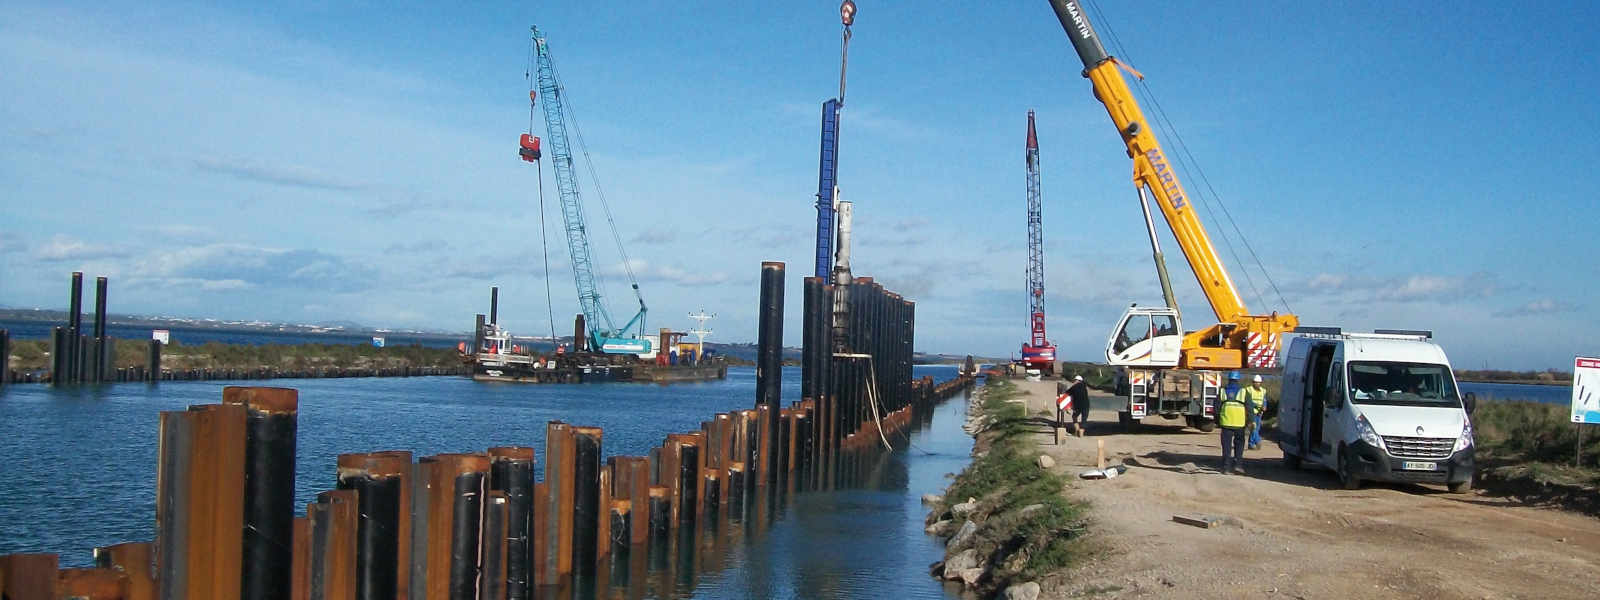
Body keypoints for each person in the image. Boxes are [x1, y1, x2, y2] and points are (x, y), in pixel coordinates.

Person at [1218, 378, 1254, 474]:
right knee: (1239, 445)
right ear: (1238, 380)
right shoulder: (1244, 391)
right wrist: (1251, 421)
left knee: (1226, 445)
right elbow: (1250, 408)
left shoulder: (1222, 391)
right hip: (1240, 423)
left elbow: (1216, 408)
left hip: (1225, 423)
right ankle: (1238, 465)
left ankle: (1226, 467)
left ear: (1229, 380)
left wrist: (1217, 421)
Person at [1242, 374, 1268, 450]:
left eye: (1258, 382)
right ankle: (1257, 441)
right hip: (1251, 412)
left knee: (1257, 428)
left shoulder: (1263, 391)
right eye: (1255, 382)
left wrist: (1264, 406)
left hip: (1259, 412)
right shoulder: (1248, 390)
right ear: (1253, 382)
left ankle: (1251, 444)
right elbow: (1248, 401)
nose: (1257, 384)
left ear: (1260, 383)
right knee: (1253, 428)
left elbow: (1264, 400)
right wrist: (1256, 405)